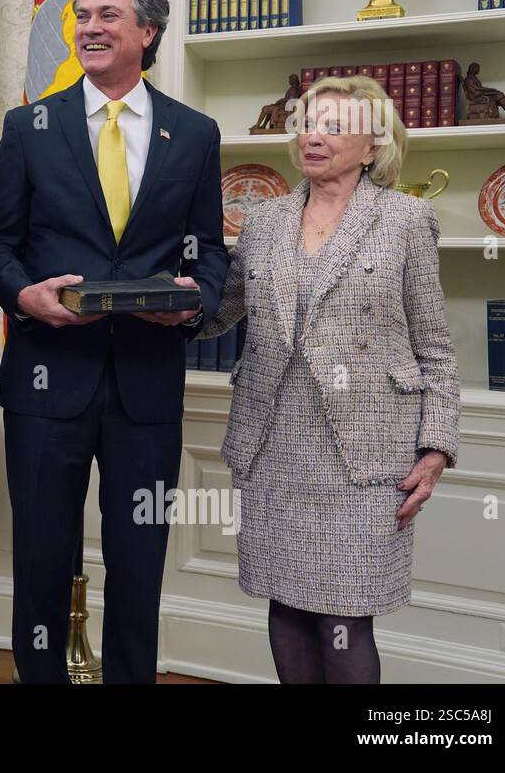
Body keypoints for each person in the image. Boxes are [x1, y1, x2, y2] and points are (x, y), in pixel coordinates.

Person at [0, 0, 229, 683]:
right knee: (40, 563)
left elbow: (209, 251)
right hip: (44, 384)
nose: (88, 27)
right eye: (82, 16)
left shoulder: (194, 133)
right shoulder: (28, 127)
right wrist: (25, 296)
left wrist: (194, 302)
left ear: (147, 30)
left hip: (146, 392)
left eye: (107, 15)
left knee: (138, 568)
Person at [195, 74, 459, 683]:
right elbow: (224, 312)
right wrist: (167, 304)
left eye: (335, 127)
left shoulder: (406, 220)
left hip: (365, 459)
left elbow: (436, 348)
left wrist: (438, 445)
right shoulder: (262, 221)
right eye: (307, 124)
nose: (314, 136)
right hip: (274, 447)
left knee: (345, 621)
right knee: (285, 609)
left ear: (373, 146)